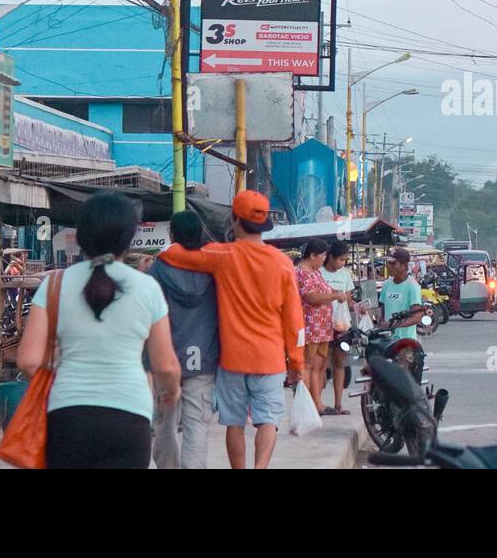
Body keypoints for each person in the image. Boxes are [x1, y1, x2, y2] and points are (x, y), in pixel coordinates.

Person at [18, 191, 180, 469]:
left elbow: (28, 360)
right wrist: (171, 393)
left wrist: (64, 382)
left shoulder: (54, 285)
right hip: (129, 417)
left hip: (67, 416)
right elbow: (165, 366)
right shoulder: (147, 288)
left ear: (81, 236)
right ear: (129, 238)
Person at [157, 190, 304, 470]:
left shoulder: (222, 256)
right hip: (270, 359)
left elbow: (176, 255)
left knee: (234, 423)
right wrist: (296, 361)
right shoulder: (283, 264)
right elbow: (294, 320)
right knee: (268, 420)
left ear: (235, 220)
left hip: (232, 360)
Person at [145, 210, 218, 470]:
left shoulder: (157, 270)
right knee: (197, 423)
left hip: (166, 358)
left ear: (171, 234)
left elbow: (148, 316)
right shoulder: (213, 269)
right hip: (204, 357)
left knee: (164, 422)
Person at [295, 238, 347, 416]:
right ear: (312, 255)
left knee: (320, 365)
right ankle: (310, 405)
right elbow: (311, 297)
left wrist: (336, 293)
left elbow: (324, 290)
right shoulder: (302, 273)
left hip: (322, 327)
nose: (324, 260)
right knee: (309, 365)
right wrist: (334, 297)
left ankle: (317, 403)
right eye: (322, 256)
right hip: (310, 326)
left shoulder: (315, 272)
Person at [321, 239, 358, 415]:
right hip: (321, 324)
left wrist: (357, 306)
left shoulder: (345, 275)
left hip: (341, 325)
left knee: (339, 363)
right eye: (340, 259)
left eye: (345, 260)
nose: (343, 263)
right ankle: (317, 403)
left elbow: (349, 300)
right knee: (320, 364)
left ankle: (338, 404)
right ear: (330, 257)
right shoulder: (318, 272)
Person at [379, 247, 427, 338]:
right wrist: (380, 325)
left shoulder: (412, 286)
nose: (388, 266)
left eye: (393, 263)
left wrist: (396, 324)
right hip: (387, 339)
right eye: (388, 263)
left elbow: (417, 317)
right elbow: (383, 311)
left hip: (405, 341)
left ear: (405, 265)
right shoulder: (386, 284)